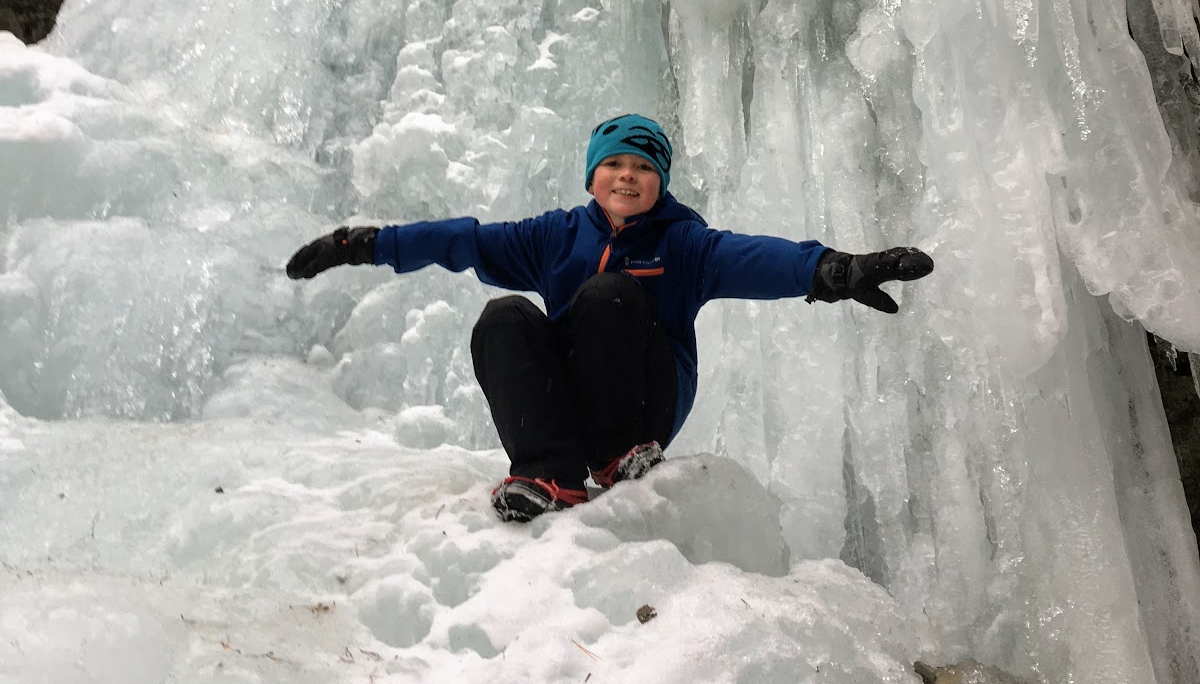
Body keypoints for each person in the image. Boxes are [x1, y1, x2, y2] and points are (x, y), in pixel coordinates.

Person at [286, 113, 933, 522]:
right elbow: (464, 241)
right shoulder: (553, 237)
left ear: (661, 182)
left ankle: (623, 456)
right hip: (573, 400)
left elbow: (756, 258)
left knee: (606, 295)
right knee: (503, 316)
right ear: (593, 174)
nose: (627, 176)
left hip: (646, 406)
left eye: (643, 167)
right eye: (615, 163)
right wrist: (363, 243)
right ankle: (546, 474)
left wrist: (835, 272)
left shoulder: (683, 244)